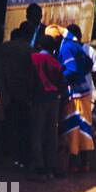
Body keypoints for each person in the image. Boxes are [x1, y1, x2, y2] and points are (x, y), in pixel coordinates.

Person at [0, 26, 39, 167]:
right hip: (23, 94)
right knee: (25, 128)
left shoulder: (3, 48)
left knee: (11, 126)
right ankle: (24, 158)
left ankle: (12, 156)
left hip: (7, 94)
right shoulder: (29, 50)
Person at [58, 24, 96, 172]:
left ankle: (73, 164)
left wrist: (60, 79)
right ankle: (85, 163)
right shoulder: (81, 48)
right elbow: (91, 67)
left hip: (74, 95)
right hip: (85, 93)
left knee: (72, 128)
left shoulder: (67, 48)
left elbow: (72, 70)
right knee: (85, 127)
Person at [29, 34, 66, 178]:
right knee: (51, 132)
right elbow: (62, 82)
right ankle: (52, 165)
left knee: (37, 132)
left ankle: (39, 165)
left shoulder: (34, 58)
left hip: (39, 97)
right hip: (53, 98)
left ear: (39, 46)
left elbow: (31, 78)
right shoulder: (55, 62)